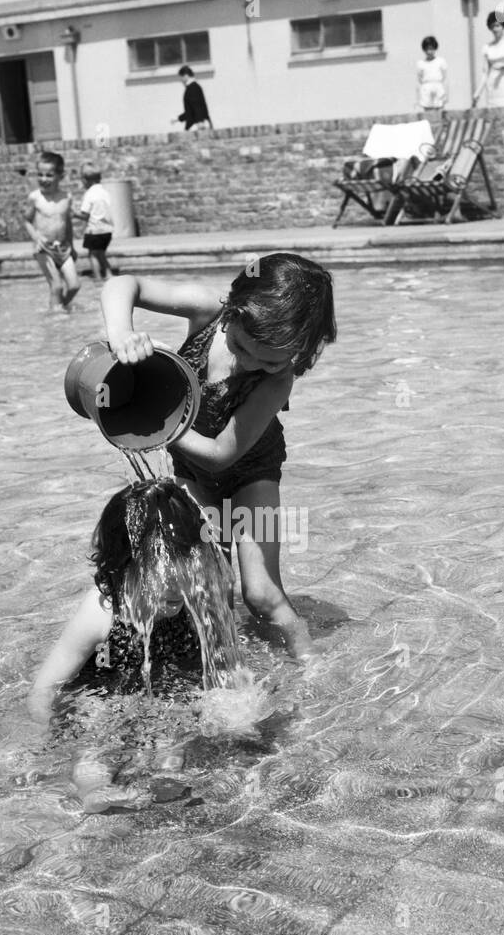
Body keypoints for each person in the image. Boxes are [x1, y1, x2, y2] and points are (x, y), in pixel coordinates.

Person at [100, 252, 336, 661]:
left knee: (261, 593)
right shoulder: (206, 310)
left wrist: (159, 424)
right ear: (234, 311)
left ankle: (310, 662)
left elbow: (221, 454)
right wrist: (123, 332)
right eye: (243, 346)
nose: (251, 364)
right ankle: (226, 671)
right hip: (192, 471)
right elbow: (122, 284)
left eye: (271, 359)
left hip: (251, 472)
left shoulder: (277, 381)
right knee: (209, 585)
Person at [27, 477, 234, 723]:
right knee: (94, 758)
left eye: (187, 574)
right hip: (103, 703)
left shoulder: (198, 598)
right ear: (124, 565)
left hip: (166, 702)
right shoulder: (101, 613)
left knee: (176, 753)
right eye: (163, 579)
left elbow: (226, 665)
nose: (179, 590)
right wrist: (48, 741)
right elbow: (44, 691)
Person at [24, 151, 80, 308]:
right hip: (43, 248)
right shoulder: (35, 198)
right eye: (40, 174)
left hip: (63, 248)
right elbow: (27, 221)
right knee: (56, 286)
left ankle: (60, 306)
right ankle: (57, 317)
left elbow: (67, 223)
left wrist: (72, 246)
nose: (43, 179)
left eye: (49, 175)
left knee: (75, 285)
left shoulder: (66, 197)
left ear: (60, 176)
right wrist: (36, 238)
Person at [75, 163, 115, 281]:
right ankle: (108, 274)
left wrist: (73, 214)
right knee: (101, 253)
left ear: (86, 180)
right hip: (107, 230)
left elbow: (85, 215)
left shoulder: (89, 194)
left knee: (93, 254)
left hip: (94, 230)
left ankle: (97, 276)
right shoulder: (105, 192)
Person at [416, 35, 449, 114]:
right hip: (426, 91)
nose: (429, 52)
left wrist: (446, 95)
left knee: (439, 114)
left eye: (431, 49)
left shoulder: (441, 61)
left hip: (438, 89)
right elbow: (419, 80)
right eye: (427, 49)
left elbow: (445, 78)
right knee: (428, 115)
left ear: (435, 48)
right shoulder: (420, 64)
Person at [176, 65, 212, 133]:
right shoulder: (193, 87)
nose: (181, 81)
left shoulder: (193, 88)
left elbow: (197, 106)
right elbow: (190, 111)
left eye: (181, 78)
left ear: (186, 76)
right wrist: (178, 119)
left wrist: (200, 121)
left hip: (197, 125)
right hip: (196, 123)